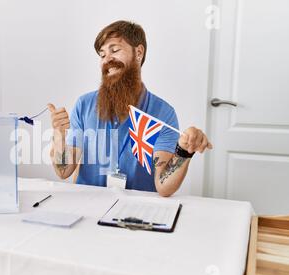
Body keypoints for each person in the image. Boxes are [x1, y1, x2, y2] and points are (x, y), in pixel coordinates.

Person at [48, 20, 212, 197]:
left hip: (136, 213)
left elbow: (164, 186)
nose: (107, 60)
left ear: (139, 52)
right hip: (89, 206)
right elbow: (63, 171)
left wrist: (183, 152)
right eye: (102, 55)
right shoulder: (84, 105)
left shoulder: (163, 113)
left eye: (115, 50)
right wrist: (59, 135)